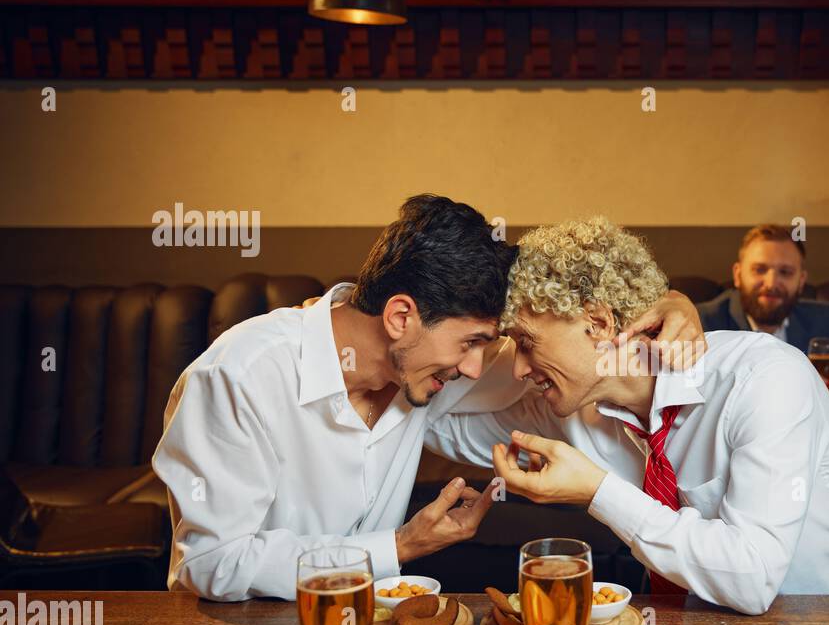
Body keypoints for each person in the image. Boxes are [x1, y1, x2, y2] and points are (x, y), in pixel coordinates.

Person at [153, 194, 704, 602]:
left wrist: (670, 304)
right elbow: (213, 562)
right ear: (400, 317)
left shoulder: (428, 367)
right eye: (472, 344)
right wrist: (399, 547)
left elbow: (572, 354)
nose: (476, 367)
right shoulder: (238, 378)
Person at [425, 216, 829, 615]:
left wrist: (597, 492)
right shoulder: (571, 411)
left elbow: (754, 577)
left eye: (526, 342)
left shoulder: (765, 379)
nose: (518, 367)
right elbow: (424, 409)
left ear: (600, 324)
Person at [696, 223, 829, 388]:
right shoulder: (704, 321)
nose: (771, 283)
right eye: (760, 270)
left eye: (785, 272)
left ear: (801, 281)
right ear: (738, 275)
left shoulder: (819, 320)